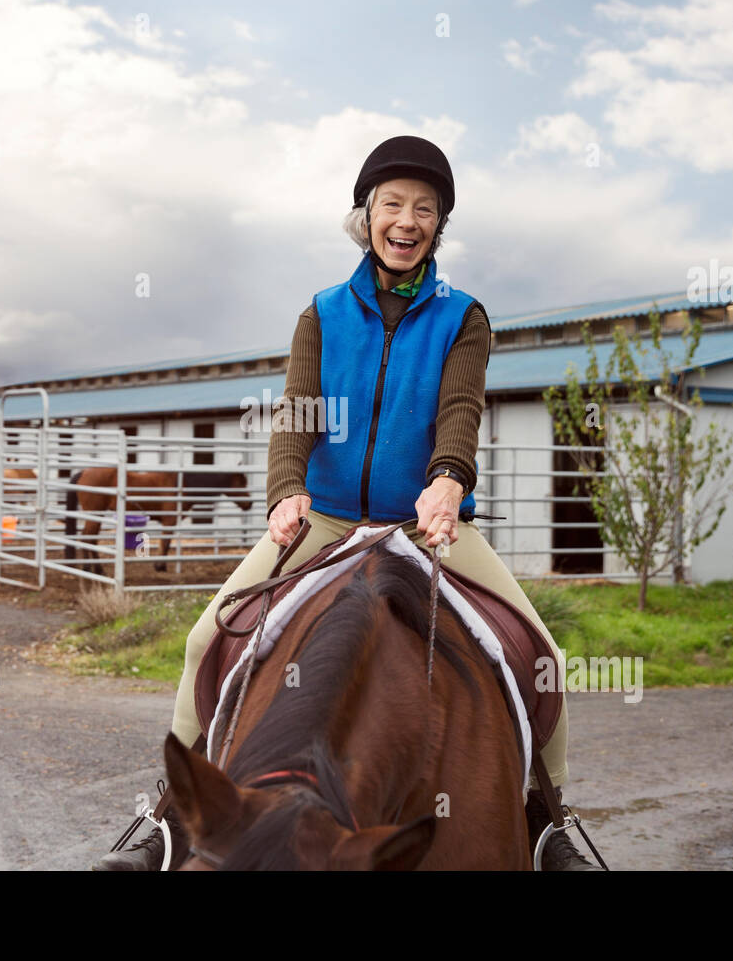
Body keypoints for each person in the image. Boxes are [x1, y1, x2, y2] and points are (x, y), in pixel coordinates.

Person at [92, 135, 599, 871]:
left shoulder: (465, 316)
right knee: (206, 638)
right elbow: (295, 412)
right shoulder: (322, 313)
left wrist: (449, 479)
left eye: (425, 209)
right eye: (392, 203)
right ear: (366, 216)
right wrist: (286, 491)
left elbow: (462, 407)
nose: (408, 218)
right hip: (325, 514)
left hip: (424, 521)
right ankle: (167, 821)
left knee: (546, 658)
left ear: (438, 227)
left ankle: (546, 825)